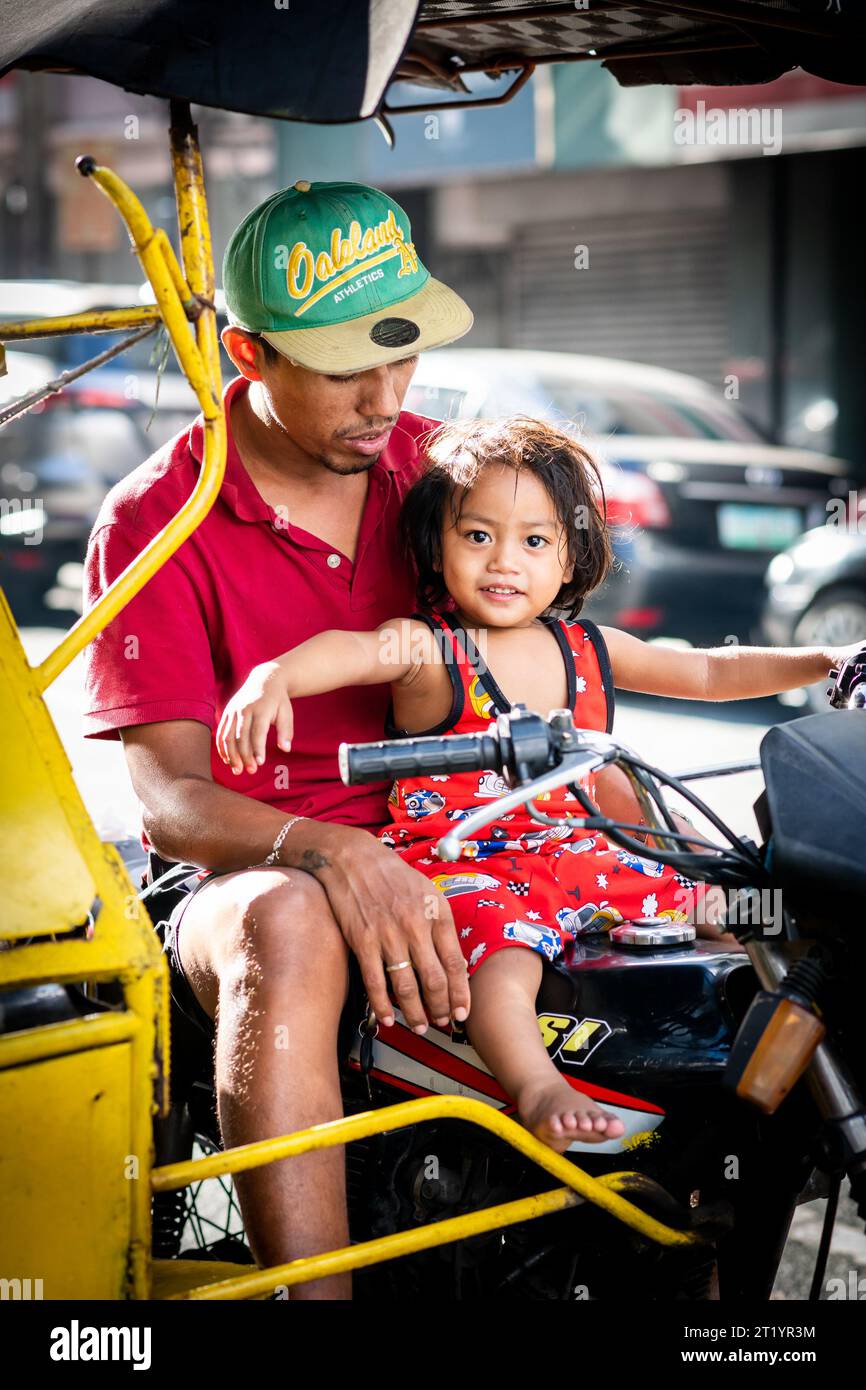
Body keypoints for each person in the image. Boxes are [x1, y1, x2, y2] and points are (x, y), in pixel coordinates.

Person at [216, 414, 865, 1155]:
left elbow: (712, 671)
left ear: (570, 558)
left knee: (742, 906)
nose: (503, 561)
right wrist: (274, 678)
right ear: (438, 545)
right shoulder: (432, 649)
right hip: (472, 862)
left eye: (533, 541)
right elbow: (350, 650)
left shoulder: (587, 646)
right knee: (502, 959)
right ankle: (535, 1085)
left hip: (587, 851)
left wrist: (826, 659)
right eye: (477, 535)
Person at [83, 180, 476, 1299]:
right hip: (242, 878)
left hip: (451, 844)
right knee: (290, 918)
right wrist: (330, 847)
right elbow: (169, 800)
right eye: (347, 370)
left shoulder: (441, 473)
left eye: (399, 362)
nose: (384, 398)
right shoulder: (157, 515)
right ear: (247, 353)